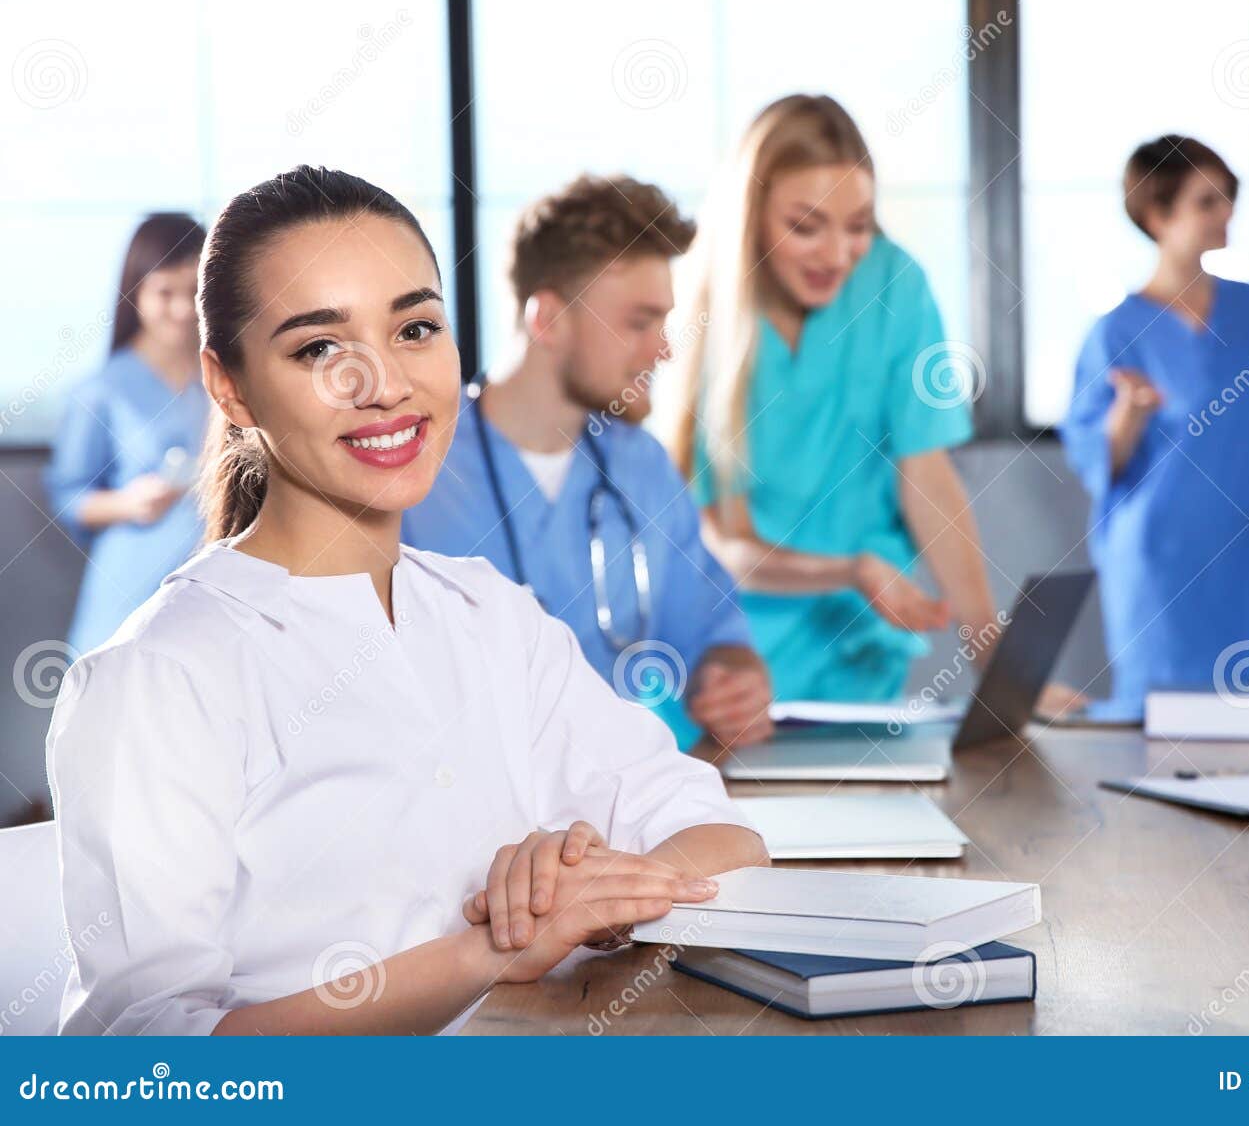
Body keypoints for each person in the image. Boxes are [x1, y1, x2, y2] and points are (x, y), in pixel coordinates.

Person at [46, 165, 766, 1036]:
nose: (384, 383)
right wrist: (491, 950)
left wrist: (595, 891)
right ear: (228, 385)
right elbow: (144, 1064)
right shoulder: (159, 677)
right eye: (319, 348)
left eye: (416, 328)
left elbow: (723, 839)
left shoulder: (492, 617)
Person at [668, 93, 1014, 705]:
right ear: (751, 217)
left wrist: (993, 652)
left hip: (859, 654)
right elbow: (722, 542)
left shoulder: (895, 284)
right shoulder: (704, 313)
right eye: (805, 226)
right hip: (737, 665)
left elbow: (926, 475)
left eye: (857, 226)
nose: (836, 255)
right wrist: (849, 572)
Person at [403, 175, 771, 750]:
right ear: (548, 321)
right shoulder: (414, 467)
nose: (664, 349)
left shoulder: (642, 468)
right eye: (639, 323)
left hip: (612, 795)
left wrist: (732, 677)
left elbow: (711, 630)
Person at [1061, 136, 1249, 707]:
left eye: (1227, 197)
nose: (1225, 213)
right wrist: (1128, 415)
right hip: (1160, 554)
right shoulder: (1116, 330)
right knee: (1158, 715)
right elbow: (1098, 460)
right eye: (1206, 202)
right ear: (1157, 215)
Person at [48, 213, 210, 655]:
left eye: (195, 291)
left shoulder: (227, 382)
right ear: (135, 290)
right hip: (130, 588)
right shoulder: (101, 390)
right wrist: (128, 503)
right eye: (165, 292)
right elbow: (68, 494)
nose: (183, 309)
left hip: (212, 592)